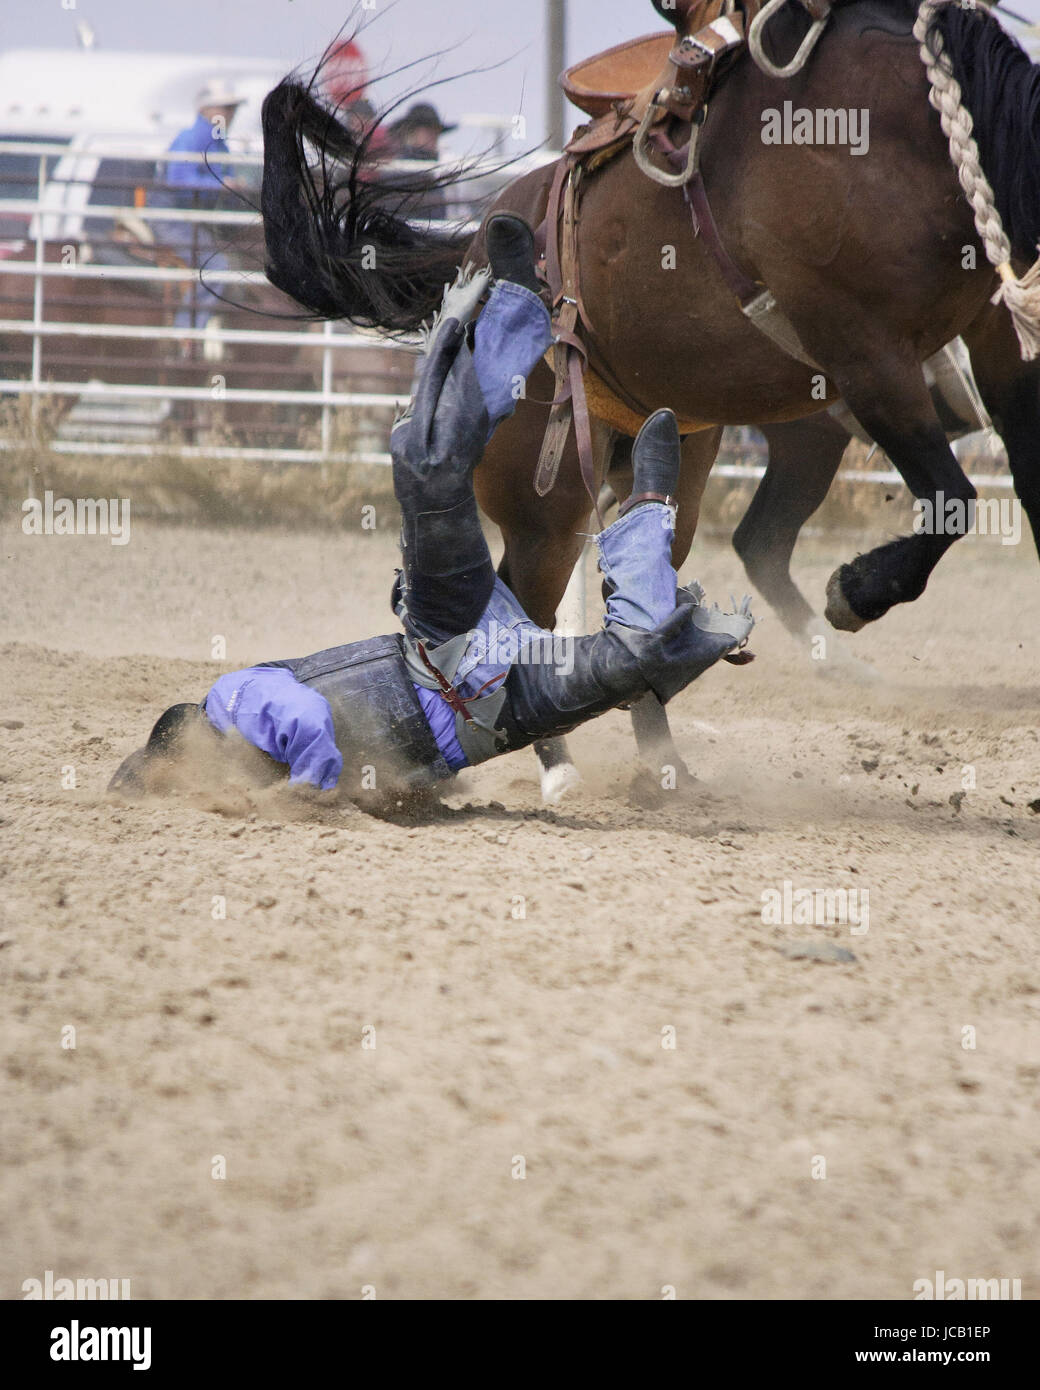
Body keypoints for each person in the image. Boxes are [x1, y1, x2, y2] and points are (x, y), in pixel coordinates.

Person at [108, 216, 753, 808]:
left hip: (446, 639)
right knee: (628, 664)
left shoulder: (230, 704)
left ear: (190, 738)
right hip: (496, 711)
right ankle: (650, 512)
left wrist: (299, 798)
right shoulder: (257, 749)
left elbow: (307, 725)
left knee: (425, 463)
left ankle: (513, 311)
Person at [151, 79, 244, 332]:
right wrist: (222, 185)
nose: (230, 114)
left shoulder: (219, 143)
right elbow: (177, 179)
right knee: (216, 267)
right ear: (205, 109)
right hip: (170, 216)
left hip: (189, 216)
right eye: (224, 108)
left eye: (232, 108)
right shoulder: (191, 138)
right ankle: (186, 330)